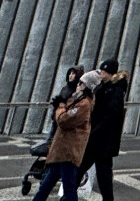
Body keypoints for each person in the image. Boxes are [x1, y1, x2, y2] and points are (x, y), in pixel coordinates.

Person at [32, 70, 98, 201]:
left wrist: (60, 106)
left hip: (69, 151)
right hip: (63, 150)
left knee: (69, 188)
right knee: (47, 184)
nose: (78, 84)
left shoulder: (84, 104)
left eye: (81, 82)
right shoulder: (77, 99)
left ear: (87, 86)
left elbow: (63, 120)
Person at [80, 59, 129, 200]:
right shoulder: (105, 87)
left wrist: (96, 130)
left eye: (103, 70)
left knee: (102, 173)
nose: (100, 72)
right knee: (96, 172)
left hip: (102, 139)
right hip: (99, 138)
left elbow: (111, 115)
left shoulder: (115, 90)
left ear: (109, 72)